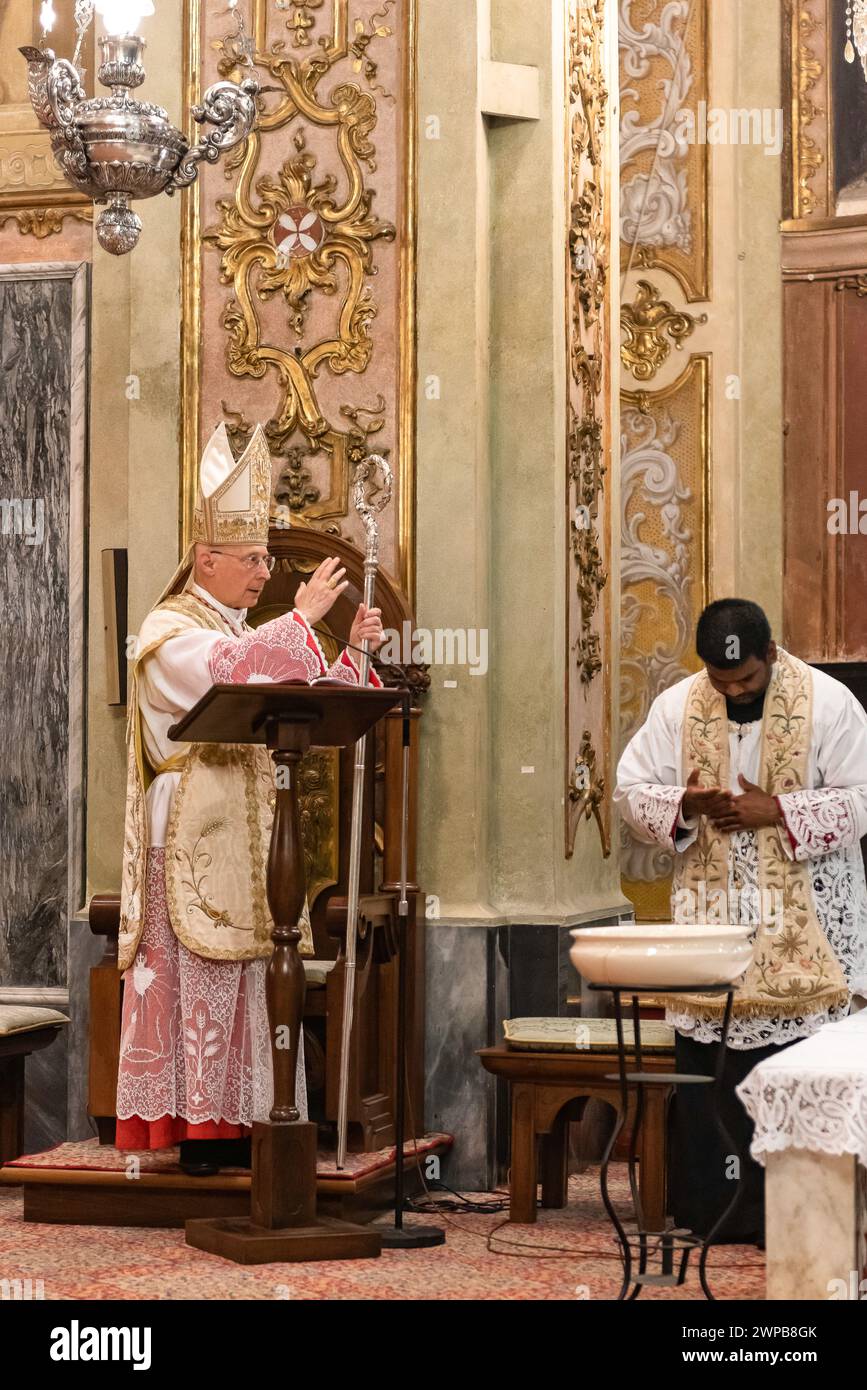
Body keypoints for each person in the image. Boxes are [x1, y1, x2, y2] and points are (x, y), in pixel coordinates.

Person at [115, 421, 384, 1174]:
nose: (264, 571)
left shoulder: (238, 627)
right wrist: (301, 621)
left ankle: (240, 1125)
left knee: (243, 977)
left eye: (267, 558)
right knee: (200, 976)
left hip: (251, 839)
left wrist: (352, 652)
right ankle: (196, 1136)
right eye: (253, 557)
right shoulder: (168, 631)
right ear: (207, 559)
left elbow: (301, 698)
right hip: (193, 835)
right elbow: (226, 670)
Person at [614, 598, 867, 1242]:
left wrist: (777, 811)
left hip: (805, 937)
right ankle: (719, 1214)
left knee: (799, 1077)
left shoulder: (832, 703)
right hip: (713, 925)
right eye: (722, 684)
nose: (734, 693)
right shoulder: (678, 705)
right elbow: (630, 790)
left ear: (771, 656)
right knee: (714, 1080)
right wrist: (685, 803)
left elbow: (861, 799)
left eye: (747, 681)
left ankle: (805, 1218)